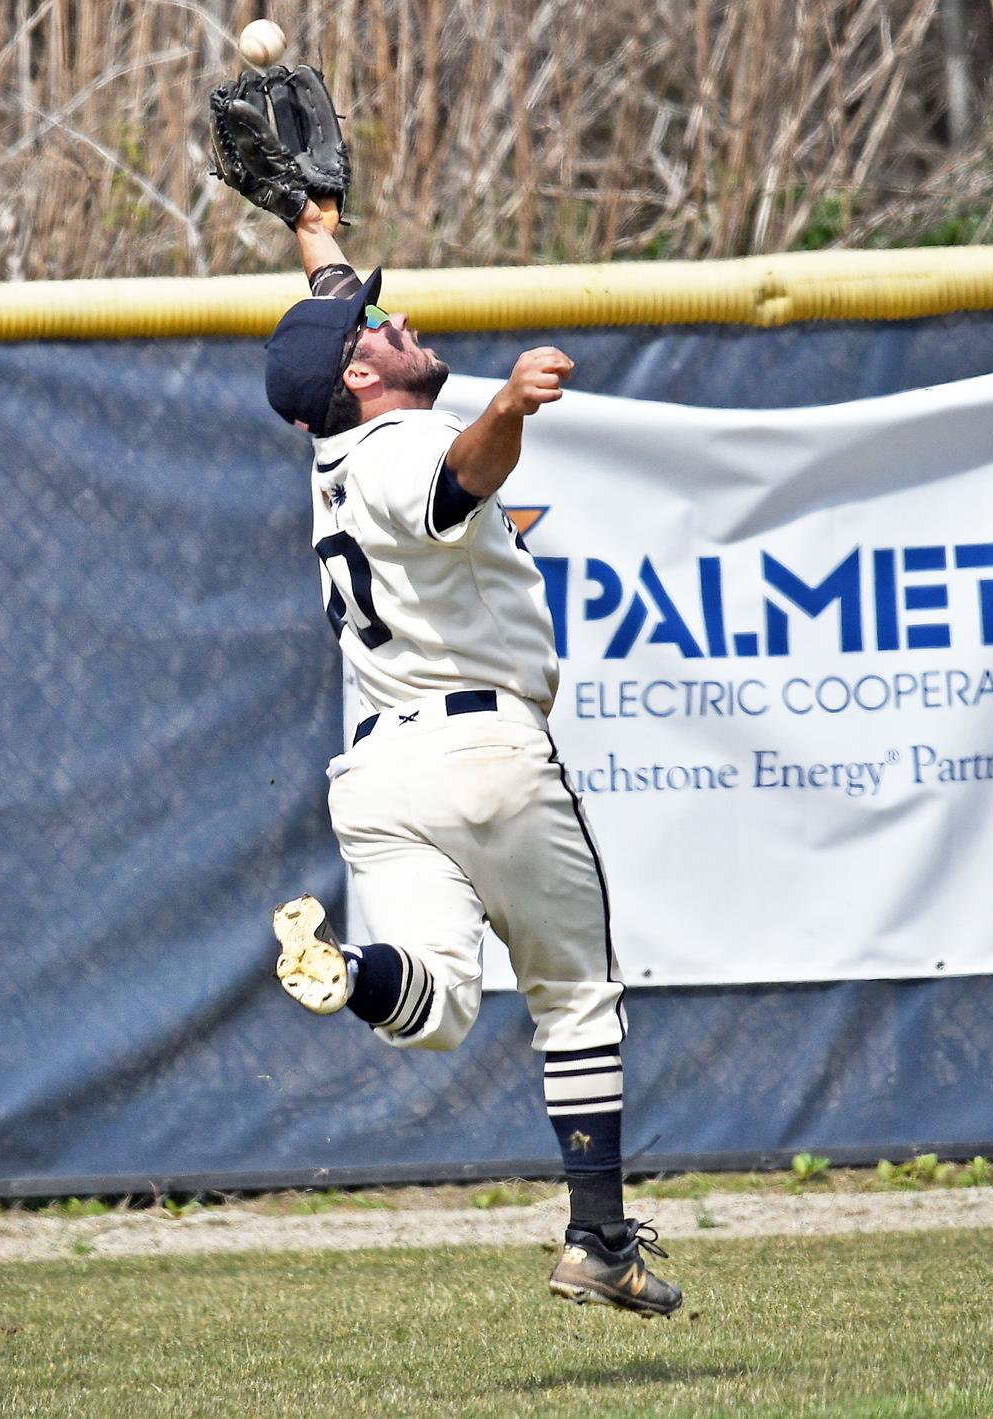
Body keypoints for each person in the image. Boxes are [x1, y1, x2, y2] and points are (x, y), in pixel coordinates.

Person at [262, 197, 681, 1318]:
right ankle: (596, 1239)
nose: (399, 320)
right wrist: (504, 404)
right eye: (379, 329)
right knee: (577, 996)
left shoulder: (333, 447)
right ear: (361, 379)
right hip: (485, 751)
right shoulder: (401, 445)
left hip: (375, 778)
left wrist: (313, 230)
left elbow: (334, 319)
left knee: (435, 1004)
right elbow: (454, 479)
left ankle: (346, 974)